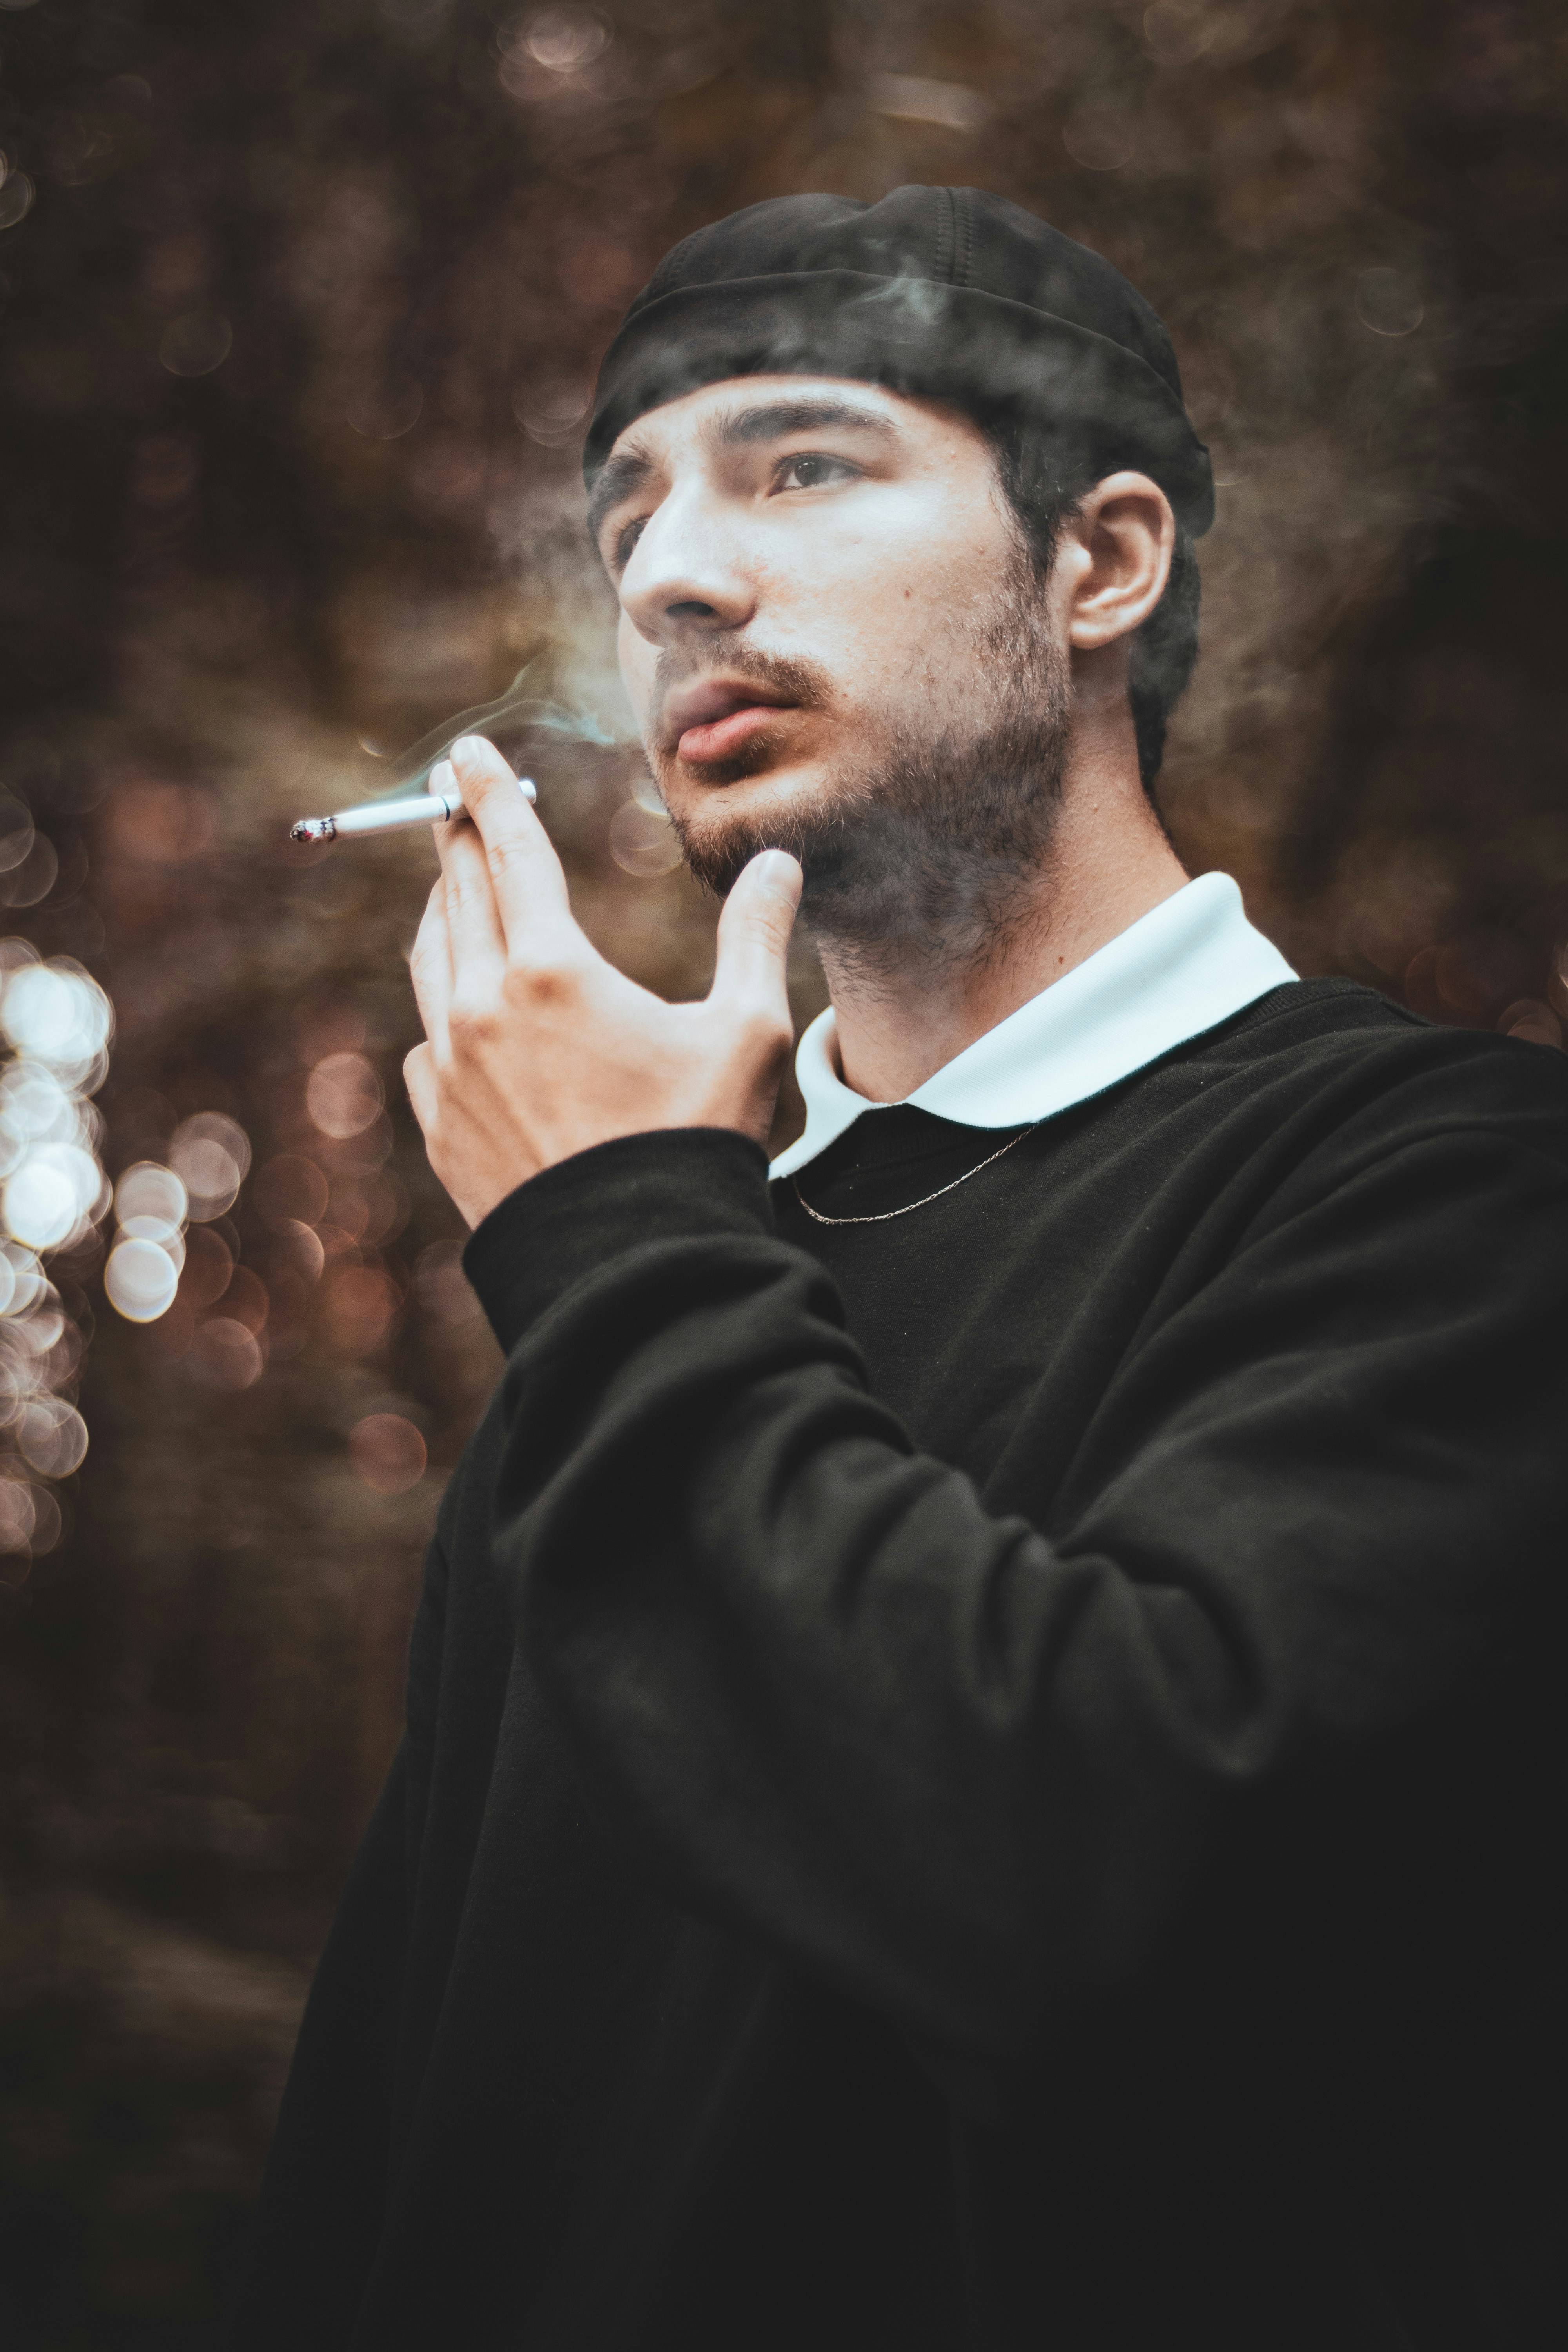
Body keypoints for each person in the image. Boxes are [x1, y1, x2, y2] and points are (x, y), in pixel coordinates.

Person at [238, 189, 1566, 2350]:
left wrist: (619, 1235)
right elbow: (401, 2143)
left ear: (1100, 562)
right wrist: (626, 1244)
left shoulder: (1454, 1193)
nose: (668, 577)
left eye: (802, 465)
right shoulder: (642, 1289)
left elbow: (1116, 1905)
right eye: (629, 516)